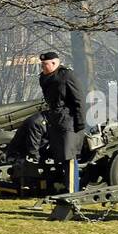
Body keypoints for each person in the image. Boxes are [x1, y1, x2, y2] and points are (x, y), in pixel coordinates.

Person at [37, 50, 87, 191]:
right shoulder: (44, 78)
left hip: (69, 122)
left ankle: (72, 192)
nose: (42, 67)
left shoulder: (67, 76)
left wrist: (80, 123)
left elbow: (79, 100)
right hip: (55, 122)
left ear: (54, 63)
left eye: (44, 64)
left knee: (69, 157)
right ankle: (65, 187)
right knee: (60, 157)